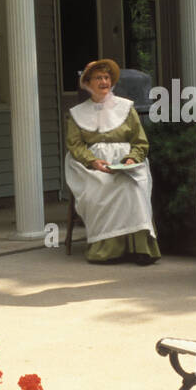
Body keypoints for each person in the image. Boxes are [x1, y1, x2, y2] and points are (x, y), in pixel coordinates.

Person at [64, 59, 161, 265]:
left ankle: (141, 249)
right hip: (91, 166)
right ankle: (107, 250)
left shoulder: (126, 108)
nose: (103, 81)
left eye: (107, 77)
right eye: (98, 78)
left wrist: (130, 159)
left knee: (131, 187)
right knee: (104, 188)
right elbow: (75, 145)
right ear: (88, 83)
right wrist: (93, 162)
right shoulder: (77, 113)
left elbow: (140, 142)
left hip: (125, 164)